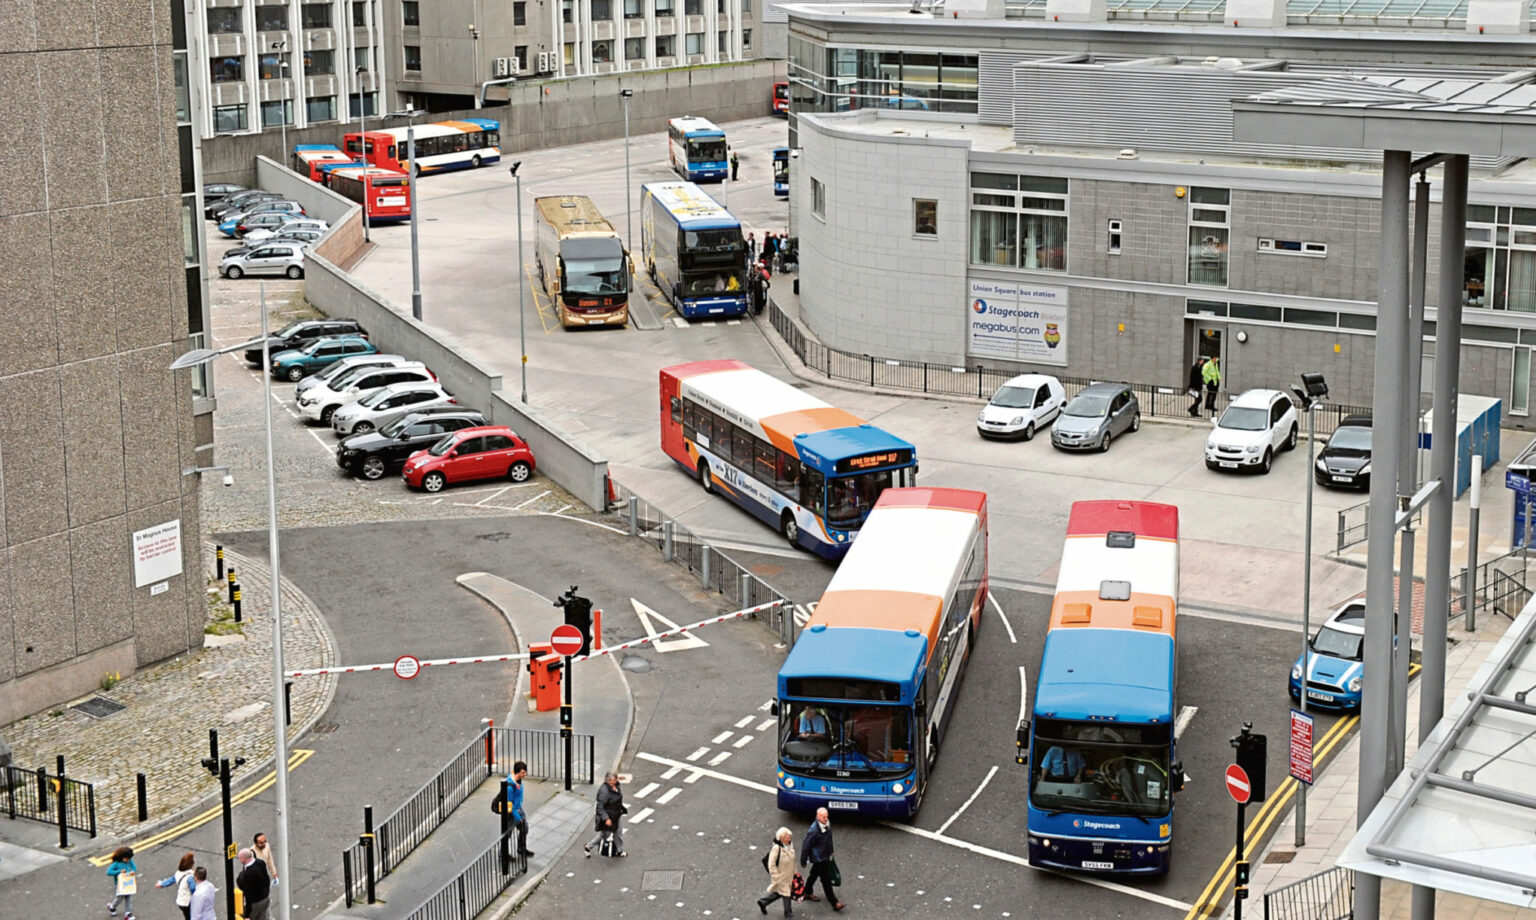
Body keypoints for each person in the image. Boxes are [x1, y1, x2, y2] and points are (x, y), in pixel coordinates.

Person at [800, 808, 845, 911]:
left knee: (814, 874)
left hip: (824, 855)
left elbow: (829, 839)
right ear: (818, 817)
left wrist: (831, 851)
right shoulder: (813, 831)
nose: (825, 819)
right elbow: (806, 846)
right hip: (819, 858)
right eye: (823, 817)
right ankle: (834, 902)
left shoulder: (827, 824)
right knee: (826, 880)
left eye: (826, 816)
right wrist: (803, 860)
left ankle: (807, 891)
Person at [584, 772, 627, 858]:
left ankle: (619, 850)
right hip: (609, 817)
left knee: (618, 833)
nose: (615, 782)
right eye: (613, 781)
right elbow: (600, 807)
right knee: (605, 835)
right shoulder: (604, 791)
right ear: (608, 780)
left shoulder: (616, 785)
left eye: (616, 780)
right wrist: (606, 818)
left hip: (616, 815)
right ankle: (588, 846)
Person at [757, 827, 797, 917]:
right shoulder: (776, 849)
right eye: (787, 836)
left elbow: (792, 860)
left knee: (780, 892)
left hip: (788, 875)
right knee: (786, 894)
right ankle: (788, 915)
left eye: (789, 835)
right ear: (781, 837)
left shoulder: (790, 845)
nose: (789, 837)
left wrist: (795, 873)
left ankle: (763, 902)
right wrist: (777, 877)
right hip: (781, 876)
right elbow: (771, 865)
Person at [155, 852, 198, 920]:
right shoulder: (190, 877)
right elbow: (193, 889)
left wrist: (162, 884)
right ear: (191, 864)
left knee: (187, 916)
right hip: (187, 902)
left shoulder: (178, 873)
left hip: (180, 901)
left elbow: (171, 880)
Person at [235, 848, 270, 920]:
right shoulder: (261, 863)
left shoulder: (247, 874)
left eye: (239, 858)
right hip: (265, 898)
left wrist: (247, 915)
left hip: (255, 904)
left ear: (243, 859)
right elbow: (267, 880)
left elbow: (248, 895)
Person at [106, 845, 139, 920]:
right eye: (127, 858)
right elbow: (108, 872)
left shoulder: (129, 861)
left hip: (128, 883)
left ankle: (128, 913)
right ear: (121, 856)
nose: (128, 860)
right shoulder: (116, 863)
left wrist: (132, 871)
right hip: (119, 884)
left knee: (128, 898)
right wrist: (119, 871)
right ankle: (112, 906)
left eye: (129, 859)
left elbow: (134, 867)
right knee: (119, 898)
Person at [508, 761, 532, 858]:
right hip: (512, 813)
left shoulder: (517, 779)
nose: (525, 774)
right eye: (523, 772)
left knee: (524, 829)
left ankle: (521, 849)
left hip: (519, 809)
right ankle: (503, 854)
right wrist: (518, 817)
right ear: (517, 772)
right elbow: (510, 804)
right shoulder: (509, 788)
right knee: (507, 834)